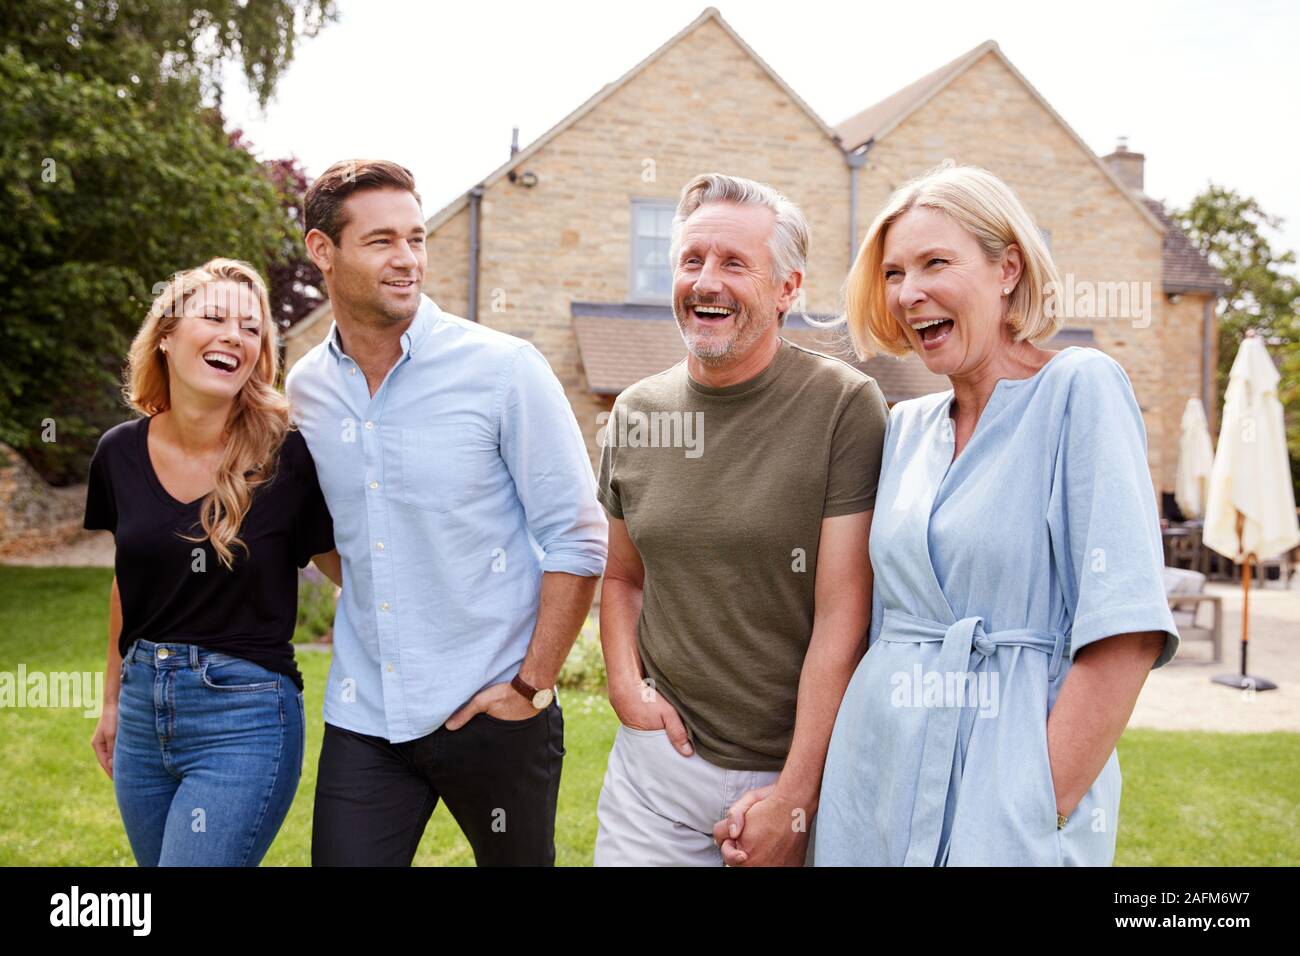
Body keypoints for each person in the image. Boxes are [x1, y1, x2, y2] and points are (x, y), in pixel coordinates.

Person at [814, 161, 1179, 866]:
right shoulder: (906, 428)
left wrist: (1037, 798)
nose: (909, 293)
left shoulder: (1079, 389)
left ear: (1007, 268)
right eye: (893, 274)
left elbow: (1126, 627)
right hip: (875, 778)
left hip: (1007, 780)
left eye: (934, 263)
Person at [286, 159, 607, 867]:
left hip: (497, 710)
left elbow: (579, 537)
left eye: (416, 238)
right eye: (380, 242)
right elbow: (331, 539)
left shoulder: (503, 369)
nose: (407, 260)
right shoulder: (305, 389)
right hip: (365, 715)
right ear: (322, 251)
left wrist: (531, 684)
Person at [595, 173, 888, 866]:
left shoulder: (844, 407)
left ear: (788, 289)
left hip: (795, 766)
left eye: (733, 263)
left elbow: (843, 617)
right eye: (692, 260)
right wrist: (624, 688)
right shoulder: (637, 413)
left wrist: (796, 794)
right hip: (656, 774)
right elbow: (622, 578)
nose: (706, 282)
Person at [85, 258, 339, 866]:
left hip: (246, 716)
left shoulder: (289, 459)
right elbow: (128, 582)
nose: (236, 336)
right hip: (145, 713)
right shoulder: (118, 453)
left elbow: (353, 572)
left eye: (253, 329)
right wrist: (114, 700)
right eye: (216, 317)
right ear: (166, 337)